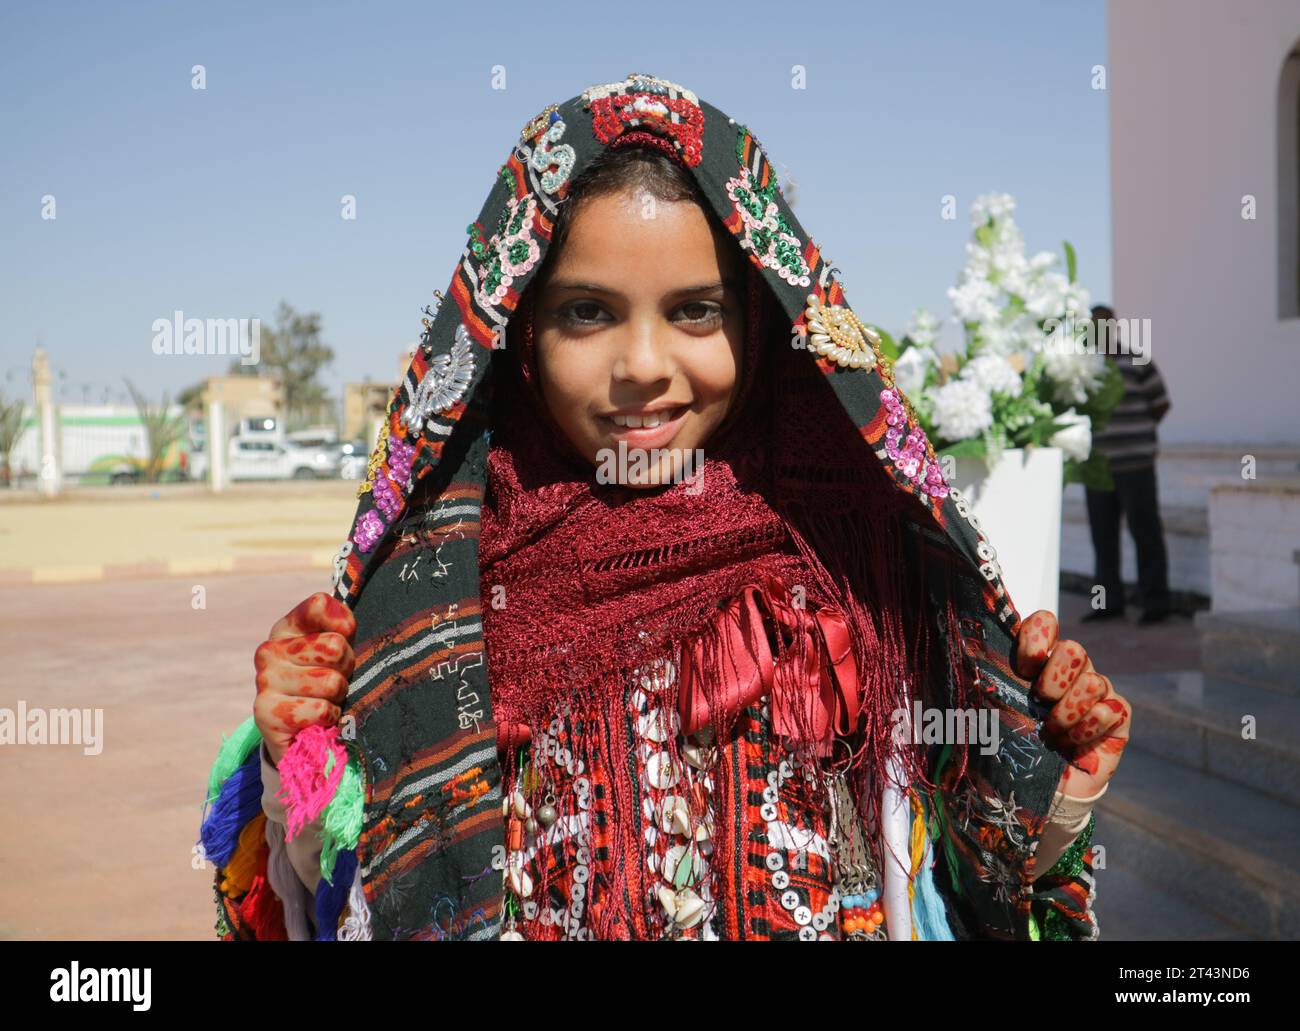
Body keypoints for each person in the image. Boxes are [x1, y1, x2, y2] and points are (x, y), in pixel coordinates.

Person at [198, 74, 1129, 941]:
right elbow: (356, 892)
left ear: (762, 317)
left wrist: (1057, 779)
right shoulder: (441, 594)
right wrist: (297, 763)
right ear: (520, 328)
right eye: (588, 313)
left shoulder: (856, 554)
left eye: (695, 310)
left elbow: (969, 875)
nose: (643, 364)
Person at [1083, 303, 1173, 625]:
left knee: (1145, 532)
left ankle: (1156, 603)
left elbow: (1161, 404)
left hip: (1136, 464)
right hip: (1098, 470)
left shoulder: (1138, 360)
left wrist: (1137, 433)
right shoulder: (1083, 370)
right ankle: (1109, 604)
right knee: (1103, 539)